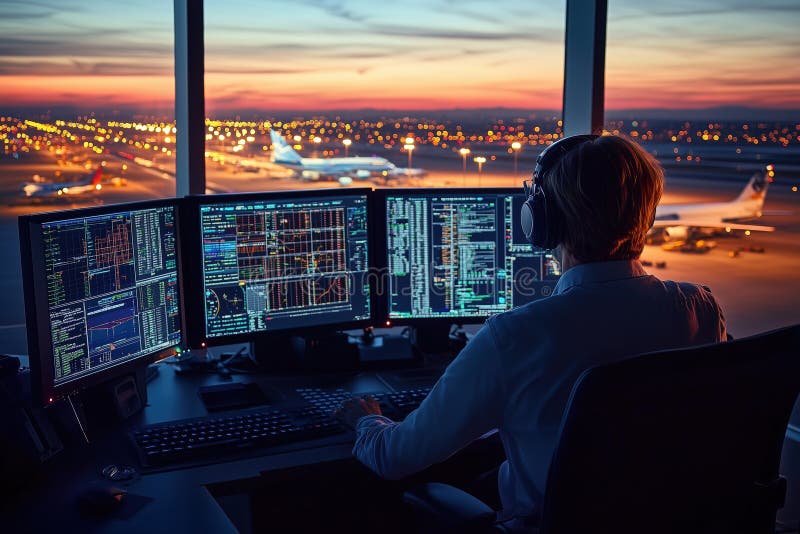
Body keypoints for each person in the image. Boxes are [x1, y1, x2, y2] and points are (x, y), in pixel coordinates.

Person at [337, 134, 727, 531]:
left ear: (542, 221)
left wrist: (366, 421)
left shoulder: (516, 336)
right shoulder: (699, 308)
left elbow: (394, 458)